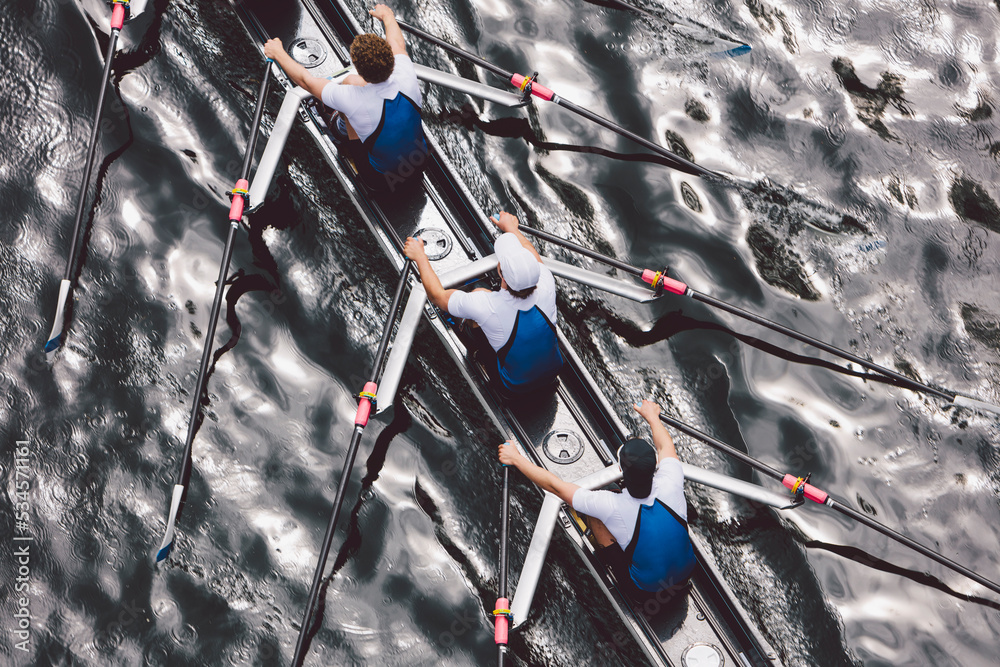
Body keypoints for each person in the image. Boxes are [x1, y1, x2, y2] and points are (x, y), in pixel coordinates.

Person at [498, 400, 695, 604]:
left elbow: (556, 487)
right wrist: (653, 417)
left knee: (594, 515)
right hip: (686, 576)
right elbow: (665, 445)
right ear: (656, 465)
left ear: (620, 469)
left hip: (645, 592)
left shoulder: (609, 504)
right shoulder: (672, 478)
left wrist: (516, 459)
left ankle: (605, 557)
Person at [263, 4, 428, 193]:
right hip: (419, 164)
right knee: (352, 83)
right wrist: (387, 16)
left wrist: (278, 53)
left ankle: (340, 131)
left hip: (382, 181)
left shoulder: (352, 99)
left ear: (359, 68)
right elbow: (397, 43)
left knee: (348, 87)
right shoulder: (406, 71)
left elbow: (305, 81)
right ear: (390, 58)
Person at [403, 212, 563, 396]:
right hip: (553, 372)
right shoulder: (546, 282)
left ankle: (476, 348)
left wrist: (420, 257)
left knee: (478, 294)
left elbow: (437, 296)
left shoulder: (485, 305)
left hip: (512, 388)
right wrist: (511, 228)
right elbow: (530, 251)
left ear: (500, 271)